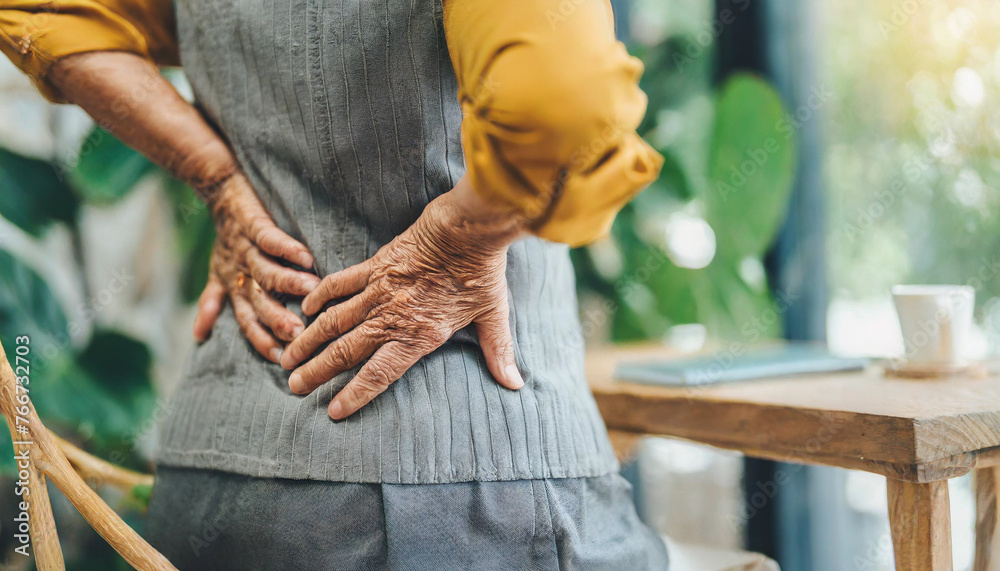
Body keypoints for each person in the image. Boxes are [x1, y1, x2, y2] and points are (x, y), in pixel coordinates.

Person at [0, 0, 667, 568]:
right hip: (469, 508)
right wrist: (459, 242)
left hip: (211, 488)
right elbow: (564, 104)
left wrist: (213, 173)